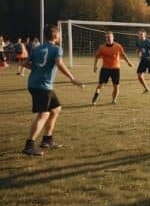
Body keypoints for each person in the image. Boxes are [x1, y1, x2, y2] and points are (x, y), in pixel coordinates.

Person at [22, 25, 84, 156]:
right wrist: (72, 78)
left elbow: (25, 63)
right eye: (60, 34)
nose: (60, 36)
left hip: (37, 84)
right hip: (42, 87)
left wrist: (37, 70)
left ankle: (47, 140)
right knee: (43, 114)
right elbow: (59, 63)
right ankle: (29, 145)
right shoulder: (57, 49)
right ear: (56, 36)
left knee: (56, 109)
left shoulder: (38, 48)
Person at [91, 32, 132, 105]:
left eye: (110, 37)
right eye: (107, 37)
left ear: (113, 37)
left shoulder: (118, 46)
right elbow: (97, 57)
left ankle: (114, 100)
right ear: (105, 38)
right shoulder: (102, 47)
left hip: (115, 69)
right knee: (100, 85)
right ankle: (95, 98)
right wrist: (95, 66)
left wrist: (128, 62)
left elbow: (123, 55)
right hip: (105, 69)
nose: (109, 38)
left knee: (116, 86)